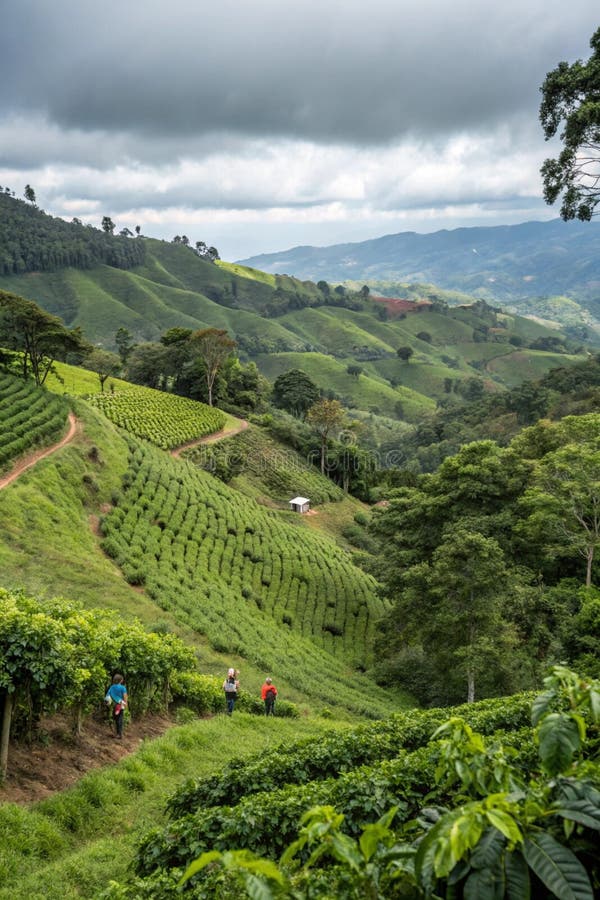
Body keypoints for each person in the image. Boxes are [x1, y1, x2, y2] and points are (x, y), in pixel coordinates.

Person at [105, 673, 128, 739]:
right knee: (120, 719)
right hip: (120, 704)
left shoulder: (112, 687)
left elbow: (108, 695)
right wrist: (125, 703)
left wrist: (108, 703)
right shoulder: (123, 688)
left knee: (115, 718)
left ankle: (117, 733)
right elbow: (125, 696)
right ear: (121, 680)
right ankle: (119, 734)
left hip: (114, 705)